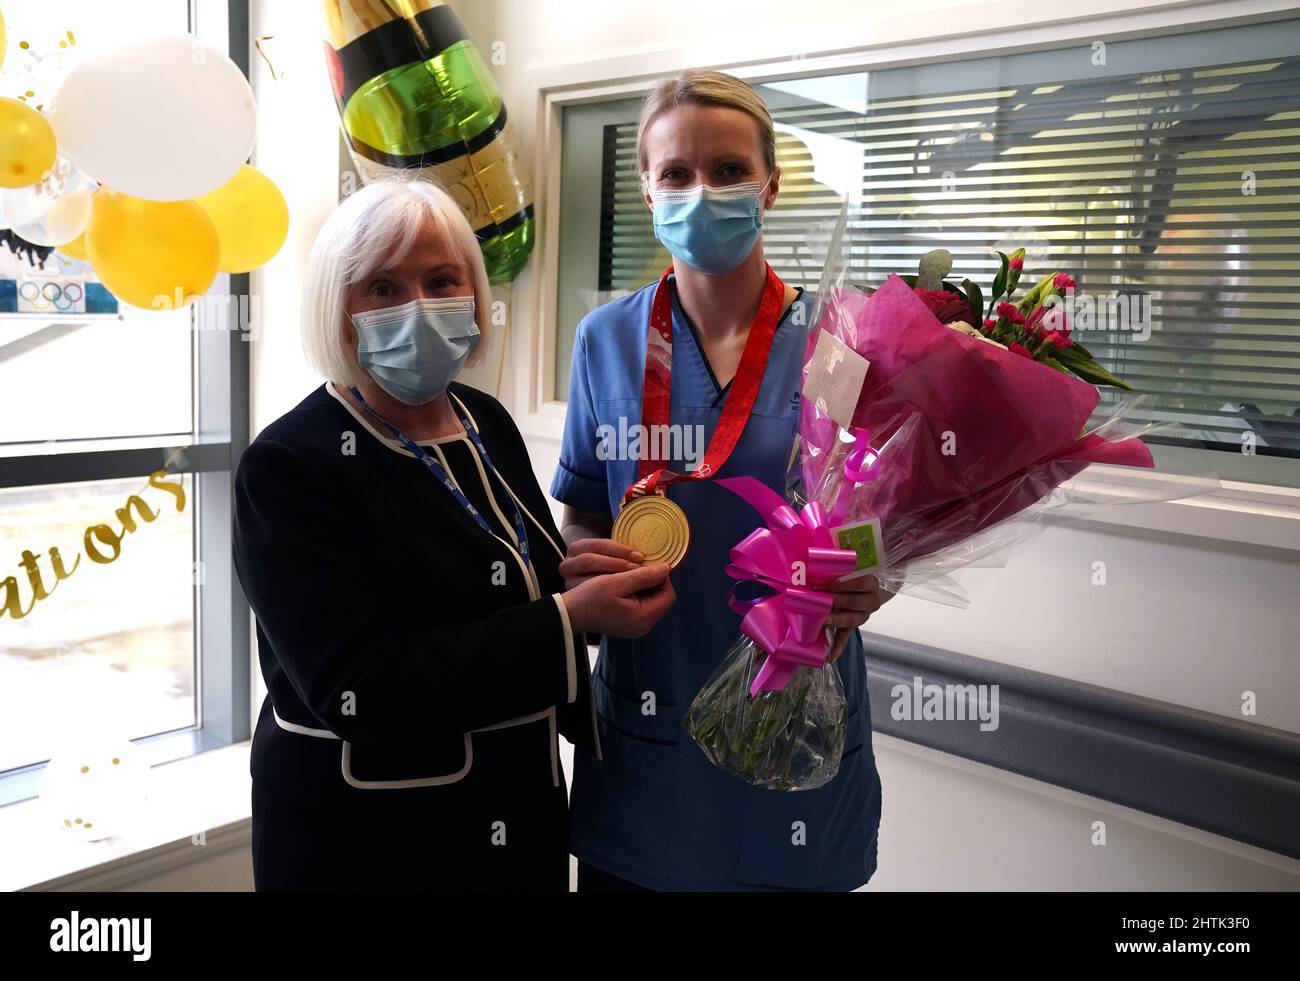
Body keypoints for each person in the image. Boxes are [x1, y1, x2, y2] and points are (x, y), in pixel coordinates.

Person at [233, 176, 674, 891]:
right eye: (383, 286)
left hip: (517, 814)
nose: (417, 305)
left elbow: (498, 573)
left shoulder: (482, 418)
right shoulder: (291, 464)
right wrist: (566, 618)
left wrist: (570, 569)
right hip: (371, 842)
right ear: (337, 308)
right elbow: (359, 689)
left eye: (441, 280)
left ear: (474, 293)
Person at [552, 69, 889, 891]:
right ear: (647, 189)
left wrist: (872, 577)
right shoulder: (604, 340)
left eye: (730, 169)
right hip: (646, 737)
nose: (702, 191)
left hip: (798, 715)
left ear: (770, 184)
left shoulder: (839, 341)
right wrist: (588, 569)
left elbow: (881, 518)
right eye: (677, 172)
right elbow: (584, 514)